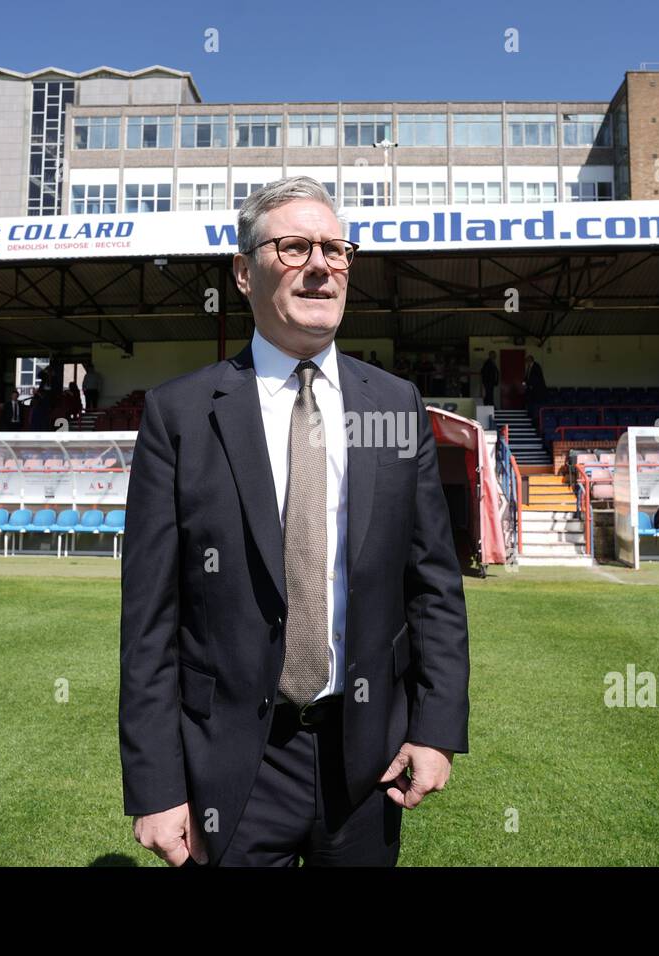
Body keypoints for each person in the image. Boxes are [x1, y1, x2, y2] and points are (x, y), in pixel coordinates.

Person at [120, 176, 470, 868]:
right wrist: (156, 787)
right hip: (232, 766)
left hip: (367, 759)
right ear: (243, 273)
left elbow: (433, 585)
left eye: (336, 250)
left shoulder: (395, 404)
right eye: (295, 247)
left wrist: (435, 729)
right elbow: (150, 620)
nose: (321, 265)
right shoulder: (181, 415)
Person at [523, 353, 547, 430]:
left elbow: (536, 379)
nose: (526, 362)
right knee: (532, 406)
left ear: (531, 360)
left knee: (536, 408)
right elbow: (527, 378)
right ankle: (532, 421)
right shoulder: (529, 367)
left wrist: (527, 383)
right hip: (532, 392)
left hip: (537, 392)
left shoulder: (536, 366)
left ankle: (535, 424)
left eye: (527, 360)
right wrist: (525, 383)